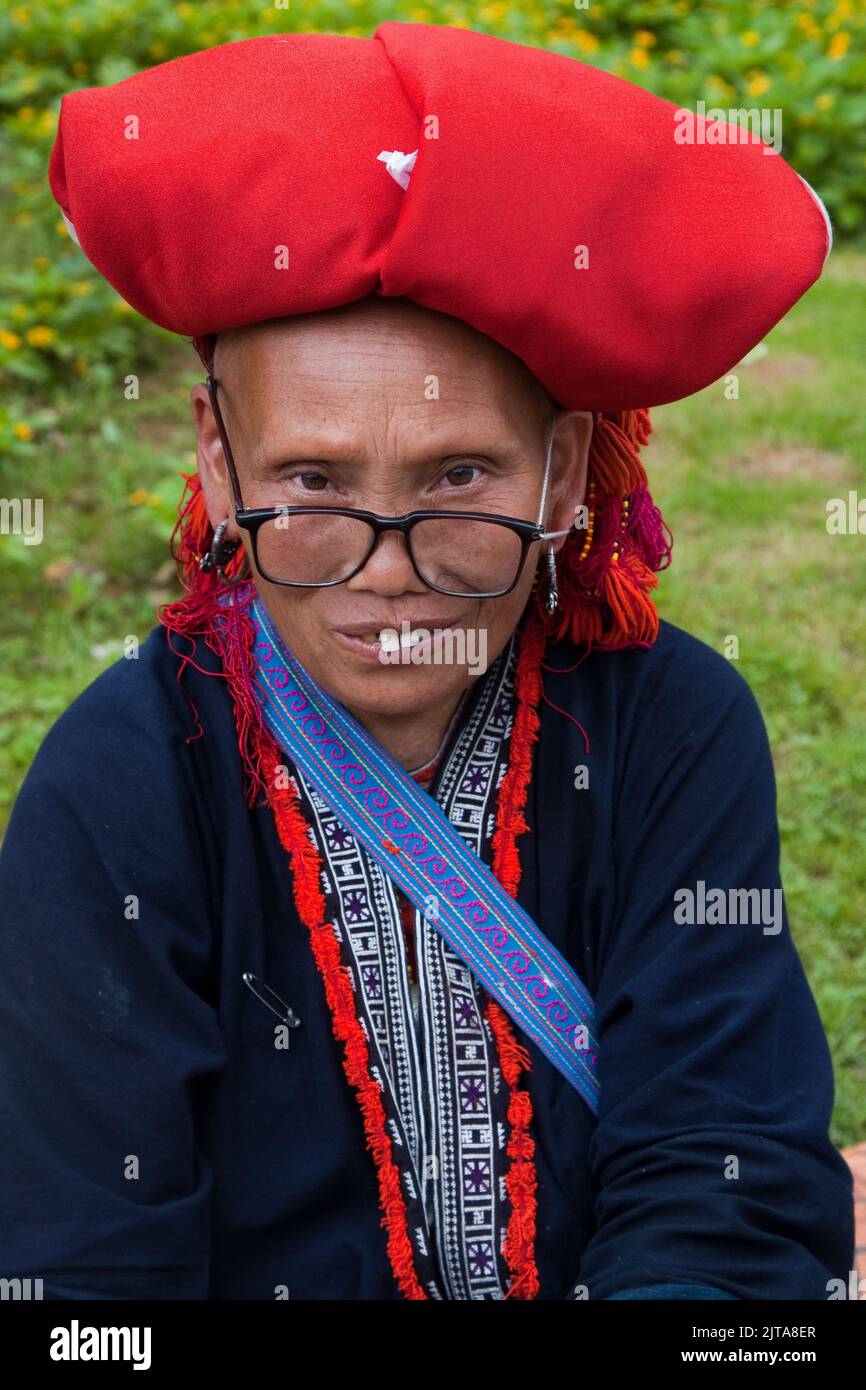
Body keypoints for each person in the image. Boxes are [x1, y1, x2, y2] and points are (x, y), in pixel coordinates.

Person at [0, 22, 853, 1301]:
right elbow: (86, 1269)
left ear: (564, 472)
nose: (381, 566)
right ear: (218, 463)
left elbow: (714, 1161)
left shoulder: (669, 722)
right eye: (311, 481)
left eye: (459, 476)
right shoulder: (121, 786)